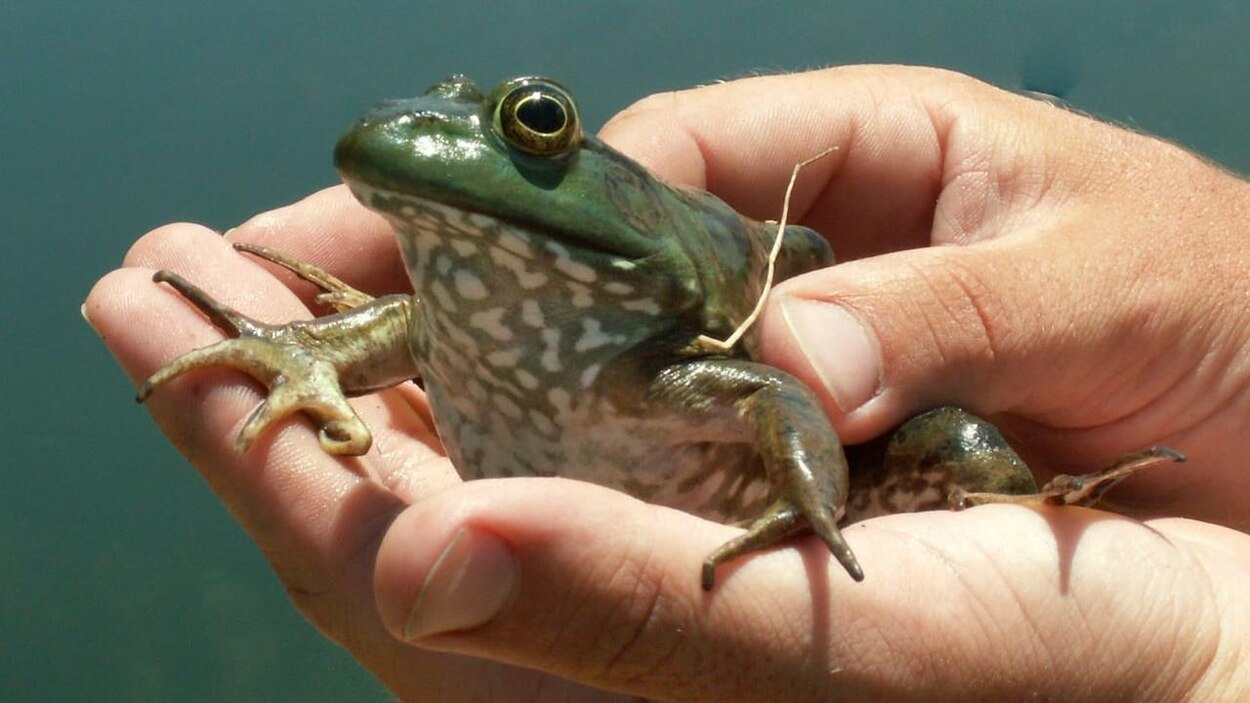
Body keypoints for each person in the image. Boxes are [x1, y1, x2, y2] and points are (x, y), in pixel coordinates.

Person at [85, 65, 1249, 702]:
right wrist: (302, 354)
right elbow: (408, 327)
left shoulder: (665, 368)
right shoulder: (442, 316)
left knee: (956, 442)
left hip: (803, 471)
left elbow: (780, 398)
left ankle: (1047, 507)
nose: (449, 138)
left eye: (526, 124)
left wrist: (809, 506)